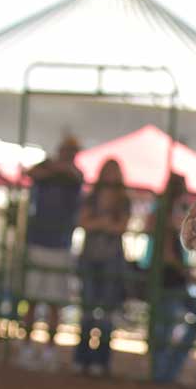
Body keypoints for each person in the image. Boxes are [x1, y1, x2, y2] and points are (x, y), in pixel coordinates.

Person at [18, 136, 84, 371]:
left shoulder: (73, 175)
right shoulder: (48, 170)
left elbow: (72, 176)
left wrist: (53, 169)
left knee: (54, 302)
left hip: (59, 243)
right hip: (40, 240)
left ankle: (48, 350)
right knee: (32, 299)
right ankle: (26, 347)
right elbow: (33, 173)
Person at [73, 158, 130, 376]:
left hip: (110, 259)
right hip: (92, 257)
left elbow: (120, 226)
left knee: (106, 312)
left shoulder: (122, 200)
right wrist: (107, 224)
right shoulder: (94, 197)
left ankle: (100, 360)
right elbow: (85, 221)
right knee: (88, 309)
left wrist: (99, 223)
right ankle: (84, 358)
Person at [148, 172, 196, 384]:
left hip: (169, 277)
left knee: (166, 324)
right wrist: (185, 272)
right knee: (169, 324)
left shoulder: (165, 213)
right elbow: (167, 254)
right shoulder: (167, 215)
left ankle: (164, 371)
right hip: (171, 277)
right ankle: (164, 373)